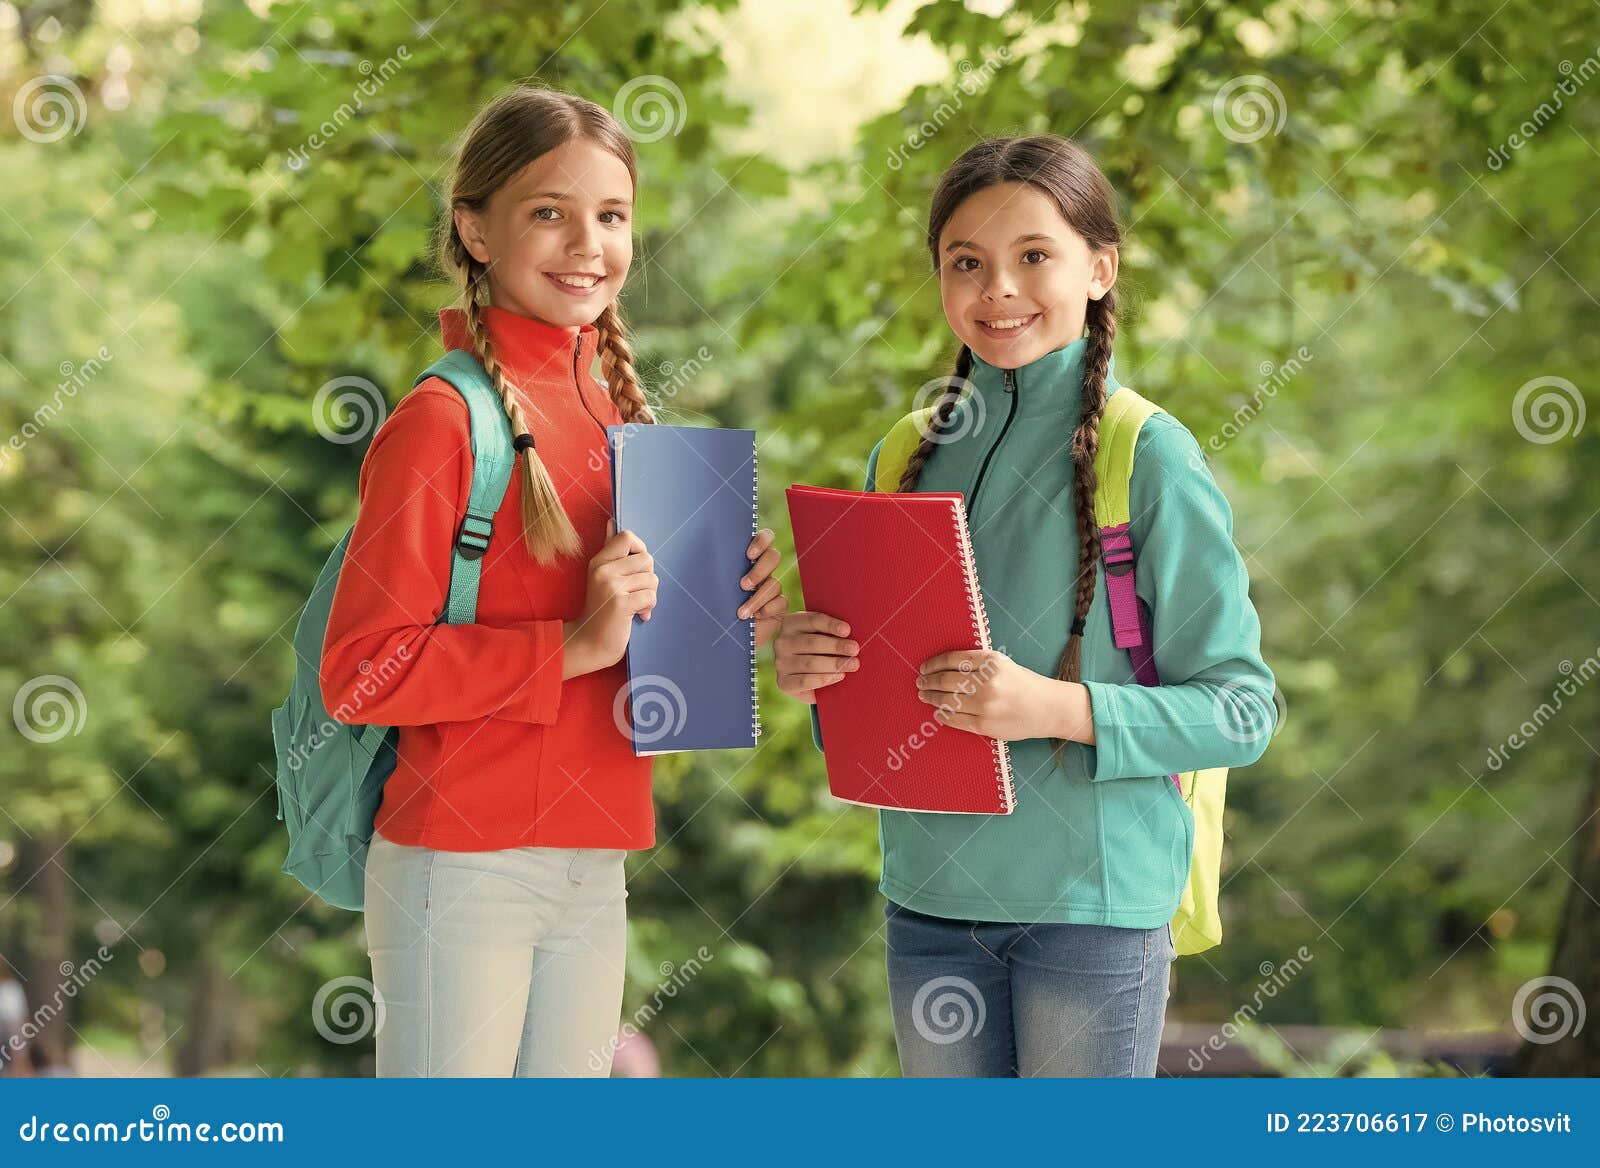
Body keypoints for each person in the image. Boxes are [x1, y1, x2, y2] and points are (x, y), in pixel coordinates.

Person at [775, 135, 1276, 1077]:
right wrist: (816, 674)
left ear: (1100, 268)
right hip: (928, 901)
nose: (998, 288)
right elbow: (871, 714)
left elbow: (1243, 712)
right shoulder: (902, 454)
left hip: (1093, 911)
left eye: (1034, 255)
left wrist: (1053, 707)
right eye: (966, 263)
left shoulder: (1150, 456)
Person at [319, 85, 787, 1077]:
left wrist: (732, 606)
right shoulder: (442, 422)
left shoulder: (622, 417)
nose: (588, 244)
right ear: (474, 230)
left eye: (612, 216)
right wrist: (571, 645)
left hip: (595, 859)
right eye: (548, 212)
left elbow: (649, 667)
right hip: (461, 863)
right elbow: (361, 672)